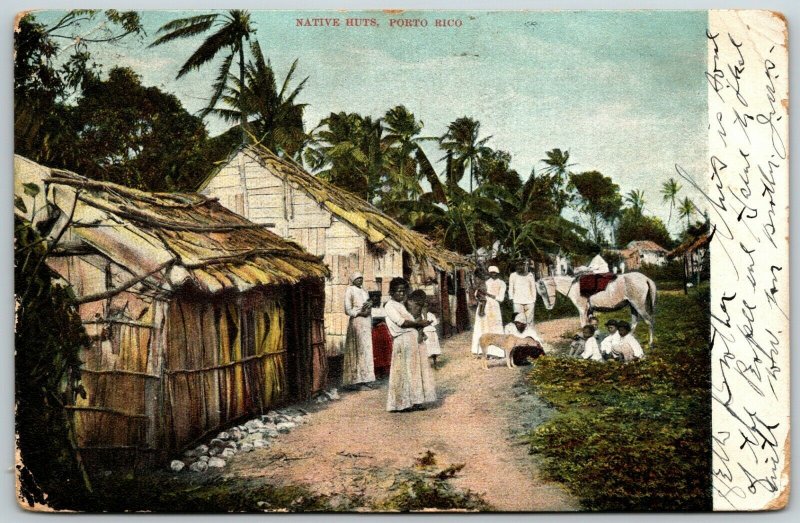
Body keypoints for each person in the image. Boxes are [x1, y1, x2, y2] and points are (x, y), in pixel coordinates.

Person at [385, 279, 437, 412]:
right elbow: (401, 322)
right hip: (402, 341)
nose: (402, 294)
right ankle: (402, 403)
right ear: (391, 292)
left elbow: (413, 319)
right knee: (403, 372)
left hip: (412, 340)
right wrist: (419, 324)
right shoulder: (390, 306)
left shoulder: (402, 305)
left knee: (414, 371)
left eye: (403, 291)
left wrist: (420, 327)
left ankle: (416, 400)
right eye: (398, 291)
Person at [342, 272, 376, 389]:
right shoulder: (350, 290)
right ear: (353, 280)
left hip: (366, 323)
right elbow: (347, 310)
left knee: (366, 350)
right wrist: (360, 312)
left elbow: (367, 305)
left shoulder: (364, 291)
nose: (360, 280)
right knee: (358, 349)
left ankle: (367, 379)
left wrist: (370, 305)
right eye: (357, 278)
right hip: (357, 322)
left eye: (361, 278)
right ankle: (357, 381)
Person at [471, 266, 506, 358]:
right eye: (491, 272)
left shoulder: (501, 283)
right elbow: (476, 294)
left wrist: (489, 294)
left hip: (494, 306)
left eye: (495, 272)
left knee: (494, 328)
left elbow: (501, 298)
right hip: (483, 305)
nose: (493, 274)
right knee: (483, 327)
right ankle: (481, 351)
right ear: (489, 273)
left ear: (497, 273)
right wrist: (479, 295)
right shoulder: (485, 282)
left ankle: (496, 352)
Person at [508, 260, 537, 326]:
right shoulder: (513, 275)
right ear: (517, 266)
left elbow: (533, 288)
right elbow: (510, 288)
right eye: (519, 265)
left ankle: (529, 333)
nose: (521, 267)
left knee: (529, 320)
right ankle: (520, 335)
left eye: (523, 265)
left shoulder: (530, 275)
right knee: (519, 319)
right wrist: (511, 298)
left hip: (529, 301)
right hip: (517, 301)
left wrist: (534, 300)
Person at [419, 297, 442, 369]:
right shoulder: (420, 315)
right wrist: (427, 323)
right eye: (424, 307)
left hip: (432, 332)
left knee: (434, 348)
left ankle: (435, 363)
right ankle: (426, 365)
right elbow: (420, 324)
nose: (425, 308)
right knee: (426, 348)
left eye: (426, 306)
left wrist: (429, 322)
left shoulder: (431, 315)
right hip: (425, 332)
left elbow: (435, 322)